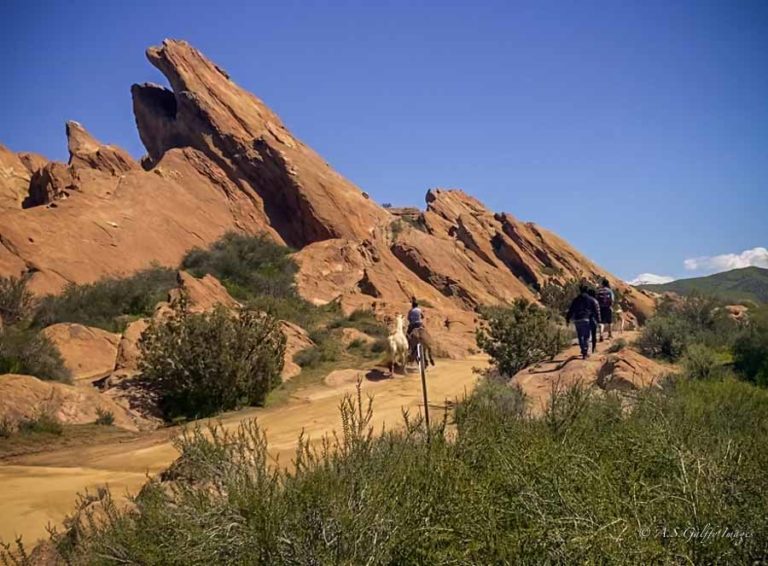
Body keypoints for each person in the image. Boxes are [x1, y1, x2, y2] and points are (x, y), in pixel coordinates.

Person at [566, 285, 600, 359]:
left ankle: (583, 350)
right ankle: (585, 351)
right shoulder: (590, 299)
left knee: (580, 336)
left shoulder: (576, 299)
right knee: (586, 336)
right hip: (586, 319)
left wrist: (567, 319)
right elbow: (595, 310)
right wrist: (597, 319)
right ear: (587, 290)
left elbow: (571, 310)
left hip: (577, 320)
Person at [587, 288, 600, 353]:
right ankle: (593, 348)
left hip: (585, 319)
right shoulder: (595, 301)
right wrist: (599, 320)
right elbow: (597, 312)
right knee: (593, 335)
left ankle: (586, 349)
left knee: (587, 335)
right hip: (592, 319)